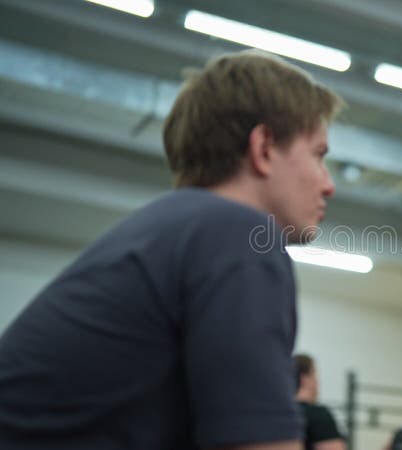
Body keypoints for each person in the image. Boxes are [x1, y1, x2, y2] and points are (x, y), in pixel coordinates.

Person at [0, 50, 341, 450]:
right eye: (318, 156)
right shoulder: (236, 234)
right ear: (264, 147)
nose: (328, 184)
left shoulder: (172, 229)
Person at [293, 354, 346, 450]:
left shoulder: (279, 414)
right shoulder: (318, 415)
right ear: (304, 378)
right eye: (315, 374)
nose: (317, 382)